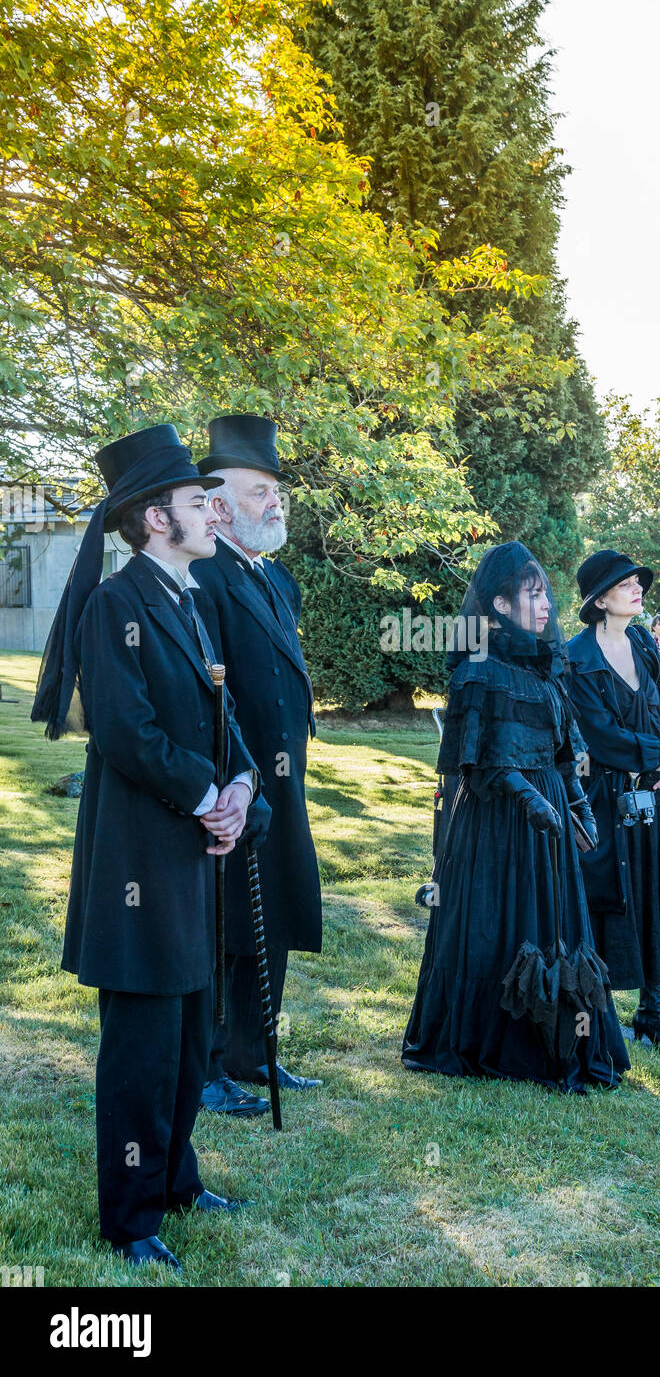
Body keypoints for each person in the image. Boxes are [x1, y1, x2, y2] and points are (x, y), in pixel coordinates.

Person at [31, 425, 264, 1269]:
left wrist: (241, 790)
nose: (213, 513)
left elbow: (223, 721)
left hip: (193, 861)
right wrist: (207, 795)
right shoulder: (113, 607)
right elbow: (126, 732)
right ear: (155, 518)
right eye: (200, 502)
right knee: (138, 1046)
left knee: (188, 1027)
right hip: (137, 862)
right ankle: (130, 1220)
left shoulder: (190, 600)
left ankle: (175, 1178)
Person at [402, 541, 630, 1091]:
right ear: (500, 605)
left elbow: (562, 751)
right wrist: (533, 803)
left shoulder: (548, 668)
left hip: (549, 817)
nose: (546, 603)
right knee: (496, 925)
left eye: (545, 592)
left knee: (551, 925)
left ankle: (551, 1038)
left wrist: (575, 802)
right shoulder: (478, 673)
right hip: (499, 825)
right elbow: (476, 763)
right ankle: (488, 1041)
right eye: (532, 594)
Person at [192, 414, 322, 1113]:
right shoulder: (204, 576)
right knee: (222, 920)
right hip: (230, 780)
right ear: (215, 505)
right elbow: (210, 691)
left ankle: (254, 1049)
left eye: (276, 490)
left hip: (281, 781)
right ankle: (209, 1066)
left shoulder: (273, 578)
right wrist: (235, 778)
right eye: (256, 491)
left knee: (266, 910)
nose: (274, 503)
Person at [566, 550, 660, 1064]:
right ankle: (590, 1014)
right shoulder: (579, 658)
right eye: (624, 585)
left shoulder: (645, 642)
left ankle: (653, 1013)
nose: (636, 589)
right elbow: (600, 736)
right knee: (615, 897)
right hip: (610, 796)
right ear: (600, 600)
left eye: (636, 582)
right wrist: (658, 752)